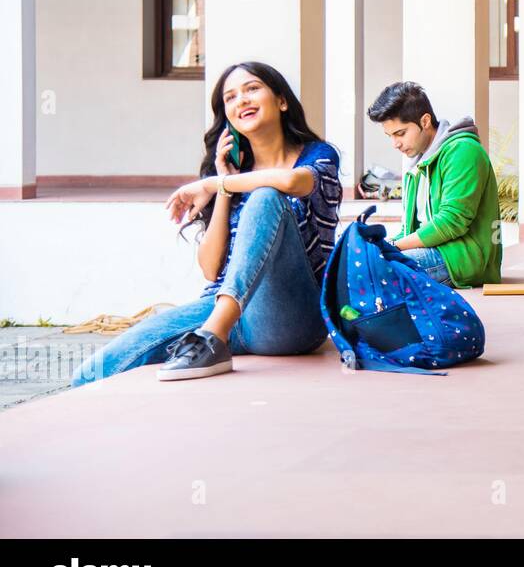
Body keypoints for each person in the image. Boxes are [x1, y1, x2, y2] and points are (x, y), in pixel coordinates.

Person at [71, 62, 342, 384]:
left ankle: (211, 338)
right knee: (92, 373)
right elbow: (212, 270)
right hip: (225, 311)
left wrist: (214, 185)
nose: (241, 100)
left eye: (252, 88)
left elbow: (290, 181)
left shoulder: (318, 155)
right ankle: (214, 336)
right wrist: (224, 186)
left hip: (290, 320)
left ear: (281, 101)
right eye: (230, 97)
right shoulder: (226, 181)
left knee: (266, 197)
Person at [367, 81, 502, 288]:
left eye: (400, 133)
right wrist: (384, 246)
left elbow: (451, 222)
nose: (395, 144)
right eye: (390, 136)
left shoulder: (463, 151)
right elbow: (409, 229)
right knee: (365, 263)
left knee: (375, 271)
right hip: (434, 252)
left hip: (462, 258)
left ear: (425, 121)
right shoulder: (417, 164)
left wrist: (392, 247)